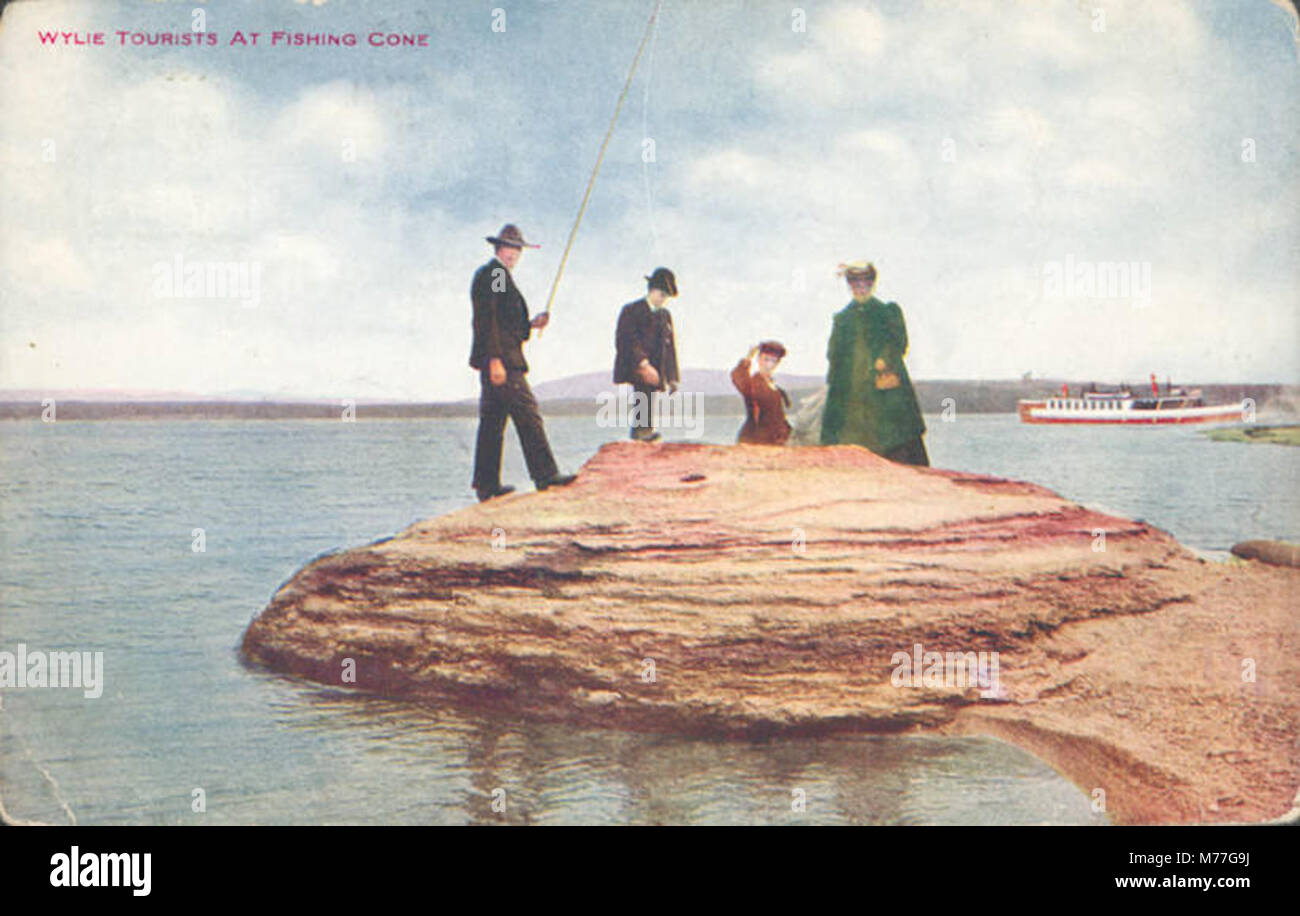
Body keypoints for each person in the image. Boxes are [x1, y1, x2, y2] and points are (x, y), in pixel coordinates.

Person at [468, 224, 576, 501]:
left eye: (517, 249)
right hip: (503, 362)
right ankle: (546, 475)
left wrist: (531, 324)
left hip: (500, 359)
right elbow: (489, 319)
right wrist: (494, 360)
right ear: (498, 249)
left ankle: (486, 485)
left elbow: (506, 325)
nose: (513, 254)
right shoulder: (495, 274)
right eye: (508, 248)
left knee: (492, 423)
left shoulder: (498, 276)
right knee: (528, 415)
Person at [819, 261, 928, 466]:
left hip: (883, 385)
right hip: (851, 388)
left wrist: (884, 359)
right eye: (856, 285)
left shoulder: (887, 311)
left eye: (865, 284)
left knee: (896, 438)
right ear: (850, 287)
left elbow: (899, 342)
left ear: (872, 285)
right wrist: (834, 383)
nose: (861, 289)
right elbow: (833, 353)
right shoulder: (842, 318)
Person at [613, 267, 680, 442]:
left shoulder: (665, 316)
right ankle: (642, 432)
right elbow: (626, 339)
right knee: (642, 391)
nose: (663, 300)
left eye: (666, 297)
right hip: (636, 366)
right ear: (652, 290)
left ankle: (646, 430)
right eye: (662, 295)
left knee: (651, 396)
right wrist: (643, 363)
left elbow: (670, 347)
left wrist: (673, 377)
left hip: (657, 368)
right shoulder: (632, 310)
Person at [731, 341, 792, 445]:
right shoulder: (752, 384)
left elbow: (779, 419)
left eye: (773, 361)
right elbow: (738, 376)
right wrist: (748, 357)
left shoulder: (777, 390)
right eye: (766, 359)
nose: (768, 365)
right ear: (759, 360)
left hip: (775, 442)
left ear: (777, 364)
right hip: (754, 440)